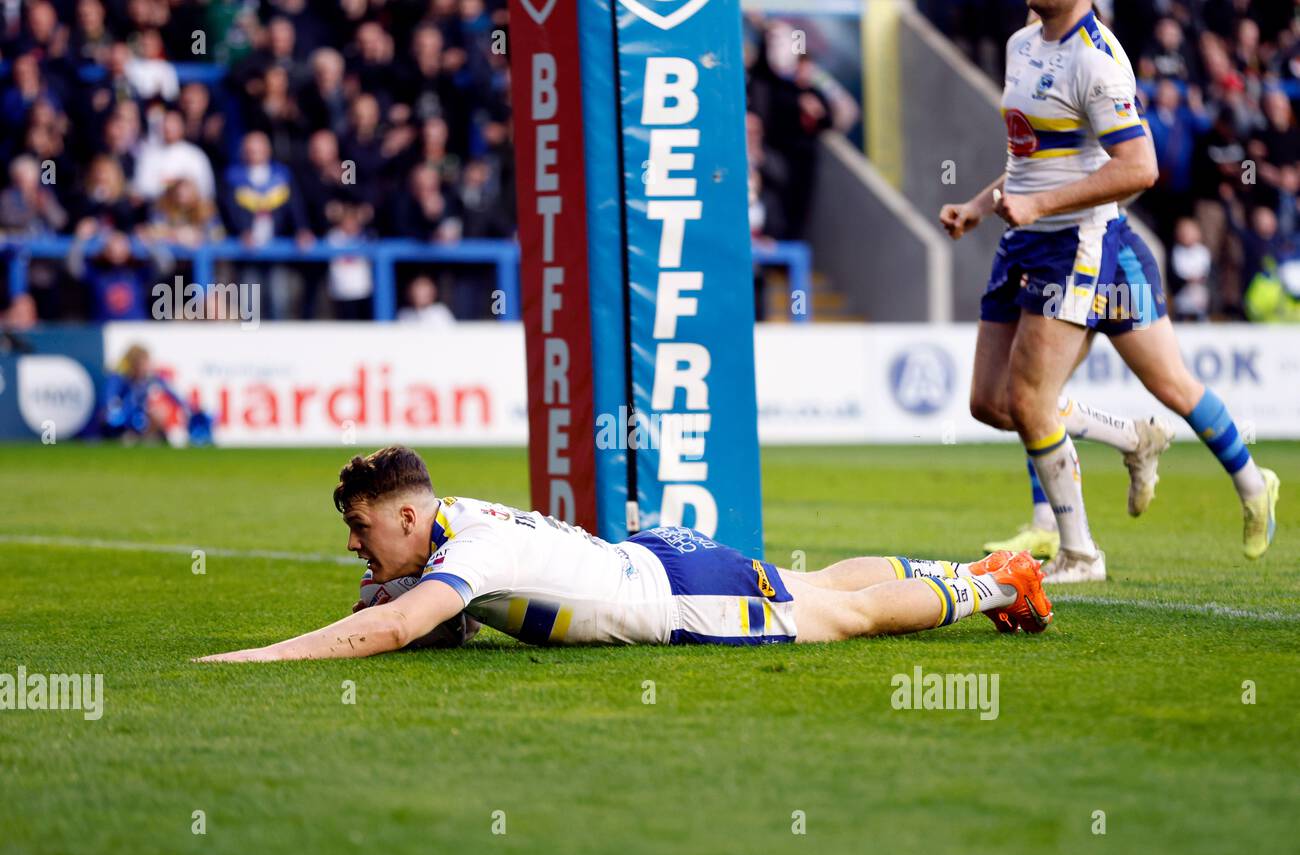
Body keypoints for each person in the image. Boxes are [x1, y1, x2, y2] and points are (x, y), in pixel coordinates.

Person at [940, 1, 1279, 580]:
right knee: (991, 404)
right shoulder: (1022, 44)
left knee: (1082, 394)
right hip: (1026, 240)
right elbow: (1031, 160)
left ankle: (1084, 548)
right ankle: (1130, 440)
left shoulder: (1098, 61)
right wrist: (978, 206)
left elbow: (1140, 168)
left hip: (1081, 245)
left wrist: (1040, 206)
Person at [194, 446, 1054, 662]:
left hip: (679, 598)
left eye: (363, 526)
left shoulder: (473, 546)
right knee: (820, 578)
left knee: (845, 614)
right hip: (657, 556)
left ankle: (997, 583)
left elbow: (399, 630)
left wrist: (261, 654)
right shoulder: (449, 522)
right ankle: (963, 569)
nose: (354, 542)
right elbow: (432, 619)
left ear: (411, 515)